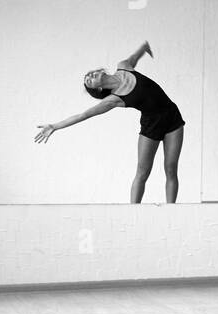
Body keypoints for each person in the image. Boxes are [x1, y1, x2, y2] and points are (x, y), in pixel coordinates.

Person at [35, 41, 186, 204]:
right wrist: (55, 126)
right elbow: (83, 115)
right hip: (151, 125)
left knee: (171, 168)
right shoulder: (113, 99)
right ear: (98, 89)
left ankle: (172, 210)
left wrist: (144, 47)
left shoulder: (124, 66)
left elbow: (135, 56)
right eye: (89, 81)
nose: (90, 76)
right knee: (143, 172)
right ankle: (133, 212)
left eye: (89, 75)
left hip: (172, 116)